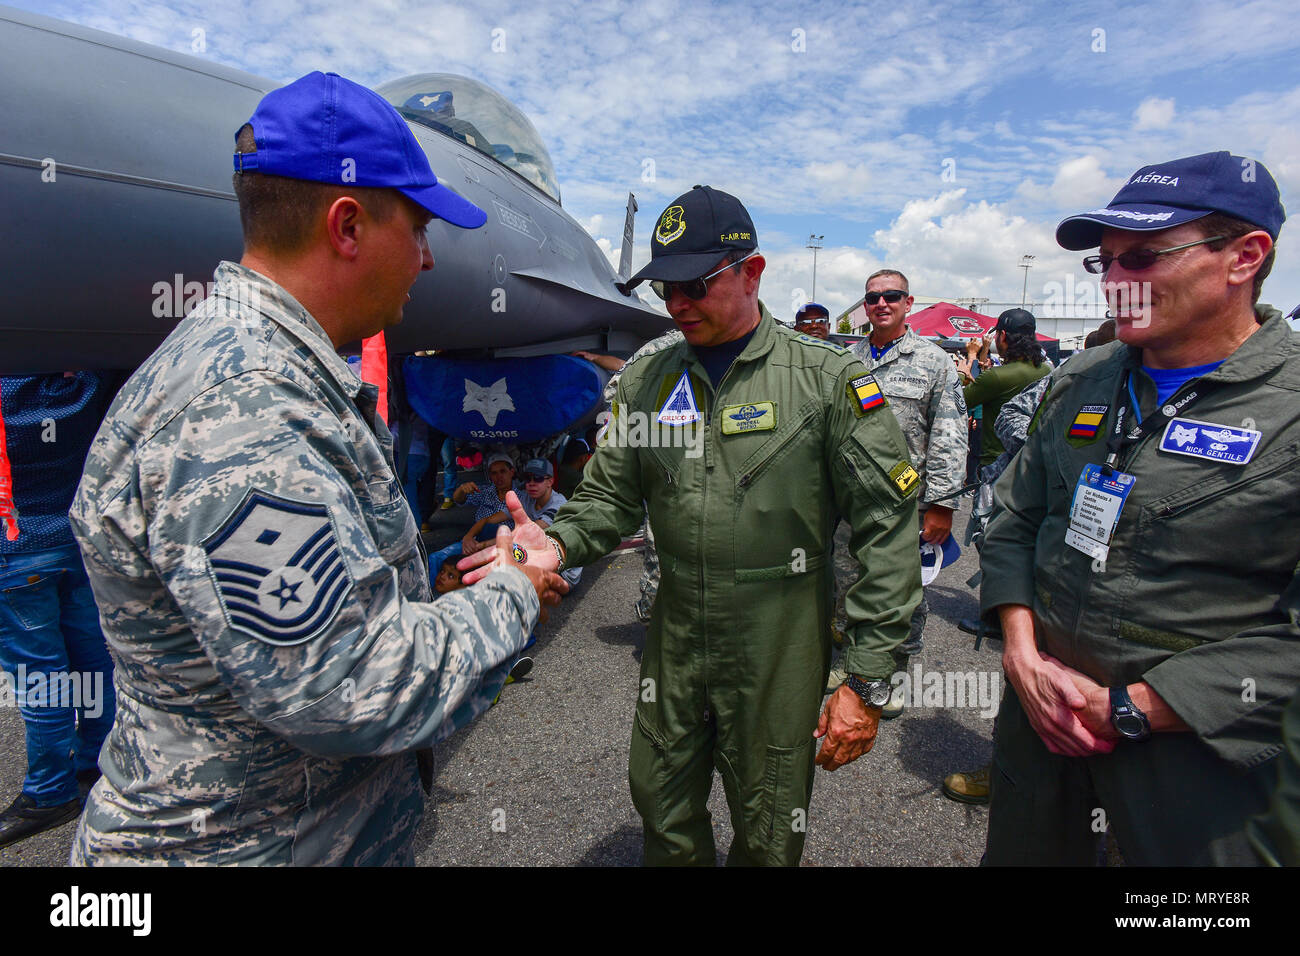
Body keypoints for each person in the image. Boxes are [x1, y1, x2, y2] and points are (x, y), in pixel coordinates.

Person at [67, 71, 567, 865]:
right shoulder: (243, 405)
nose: (428, 260)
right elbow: (347, 690)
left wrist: (423, 582)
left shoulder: (270, 372)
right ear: (347, 225)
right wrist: (514, 590)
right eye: (418, 228)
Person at [462, 185, 922, 866]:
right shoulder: (650, 379)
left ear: (752, 272)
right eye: (665, 287)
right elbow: (610, 497)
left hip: (780, 639)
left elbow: (888, 527)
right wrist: (556, 541)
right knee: (660, 800)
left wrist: (868, 679)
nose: (677, 303)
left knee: (769, 824)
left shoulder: (826, 379)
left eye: (695, 283)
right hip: (675, 637)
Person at [979, 150, 1296, 865]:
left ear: (1244, 256)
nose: (1116, 283)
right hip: (1041, 733)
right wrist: (1024, 656)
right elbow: (1016, 519)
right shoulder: (1083, 378)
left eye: (1144, 258)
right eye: (1107, 263)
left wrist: (1135, 708)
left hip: (1202, 775)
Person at [829, 270, 967, 717]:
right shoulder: (847, 361)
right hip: (849, 502)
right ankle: (851, 663)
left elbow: (950, 433)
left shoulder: (933, 361)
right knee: (846, 583)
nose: (881, 304)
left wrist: (943, 505)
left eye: (891, 296)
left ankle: (895, 671)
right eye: (872, 298)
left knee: (903, 592)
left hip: (907, 504)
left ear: (908, 303)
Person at [0, 373, 116, 848]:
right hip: (78, 537)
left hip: (16, 546)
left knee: (40, 677)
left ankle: (50, 792)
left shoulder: (9, 390)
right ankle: (98, 768)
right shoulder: (87, 376)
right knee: (94, 664)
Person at [955, 309, 1050, 469]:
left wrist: (961, 373)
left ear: (1003, 336)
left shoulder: (997, 376)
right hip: (1032, 461)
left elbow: (955, 403)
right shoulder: (1047, 370)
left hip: (997, 465)